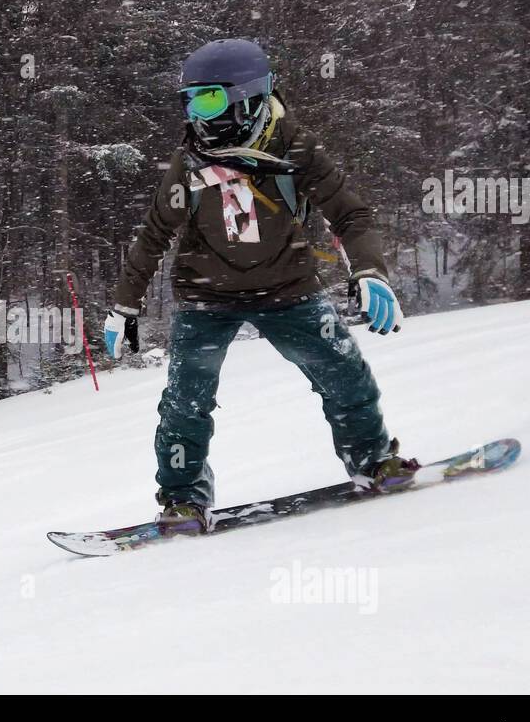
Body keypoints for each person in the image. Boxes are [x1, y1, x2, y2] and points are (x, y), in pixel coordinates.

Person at [103, 38, 418, 534]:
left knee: (344, 375)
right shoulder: (189, 162)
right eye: (188, 100)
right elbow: (154, 234)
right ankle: (183, 501)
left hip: (287, 288)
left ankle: (373, 460)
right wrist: (124, 305)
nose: (196, 114)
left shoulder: (295, 147)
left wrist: (370, 270)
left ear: (247, 96)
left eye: (207, 98)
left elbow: (350, 214)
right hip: (206, 297)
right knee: (186, 403)